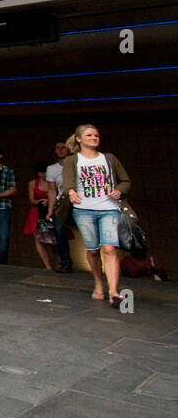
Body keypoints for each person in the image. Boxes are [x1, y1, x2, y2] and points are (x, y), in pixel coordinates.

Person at [60, 125, 131, 308]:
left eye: (97, 135)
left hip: (109, 208)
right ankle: (99, 283)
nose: (94, 138)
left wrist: (119, 191)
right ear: (78, 139)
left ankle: (113, 291)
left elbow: (125, 180)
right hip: (84, 209)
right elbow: (68, 180)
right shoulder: (72, 160)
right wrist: (71, 191)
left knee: (109, 249)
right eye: (89, 135)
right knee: (92, 250)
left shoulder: (109, 158)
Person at [44, 140, 72, 272]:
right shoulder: (52, 169)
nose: (60, 150)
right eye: (58, 148)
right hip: (61, 203)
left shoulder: (76, 165)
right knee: (59, 230)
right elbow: (51, 189)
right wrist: (50, 209)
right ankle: (65, 262)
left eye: (63, 148)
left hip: (79, 202)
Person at [25, 167, 55, 271]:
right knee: (39, 238)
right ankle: (47, 265)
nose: (43, 174)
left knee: (54, 238)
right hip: (37, 212)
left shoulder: (52, 182)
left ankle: (59, 263)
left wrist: (49, 201)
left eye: (45, 172)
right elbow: (31, 200)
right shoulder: (33, 183)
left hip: (51, 212)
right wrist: (41, 201)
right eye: (41, 172)